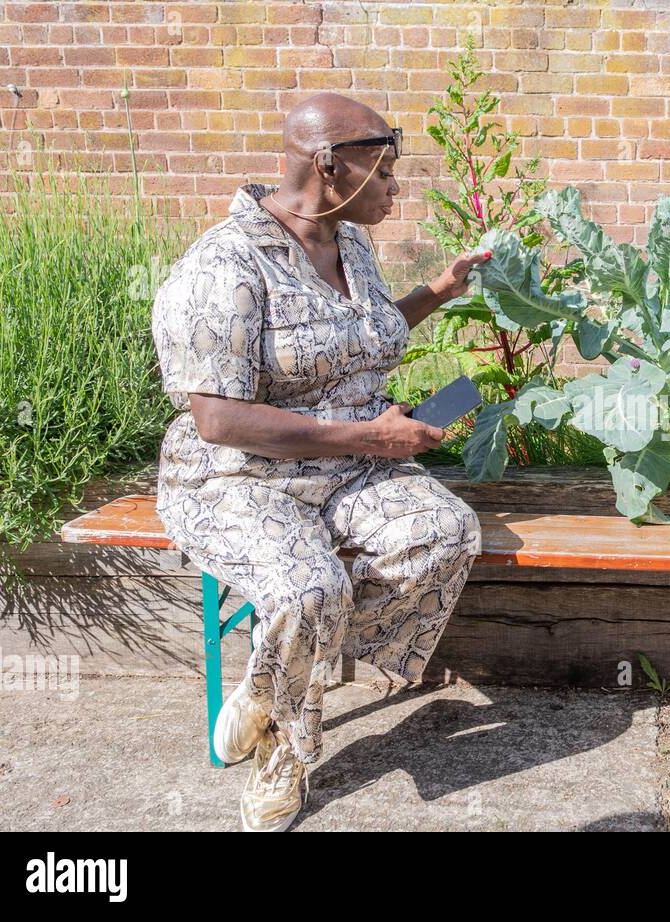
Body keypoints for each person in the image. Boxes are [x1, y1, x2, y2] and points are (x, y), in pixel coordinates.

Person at [151, 92, 492, 831]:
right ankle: (285, 752)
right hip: (238, 477)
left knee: (445, 534)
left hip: (347, 466)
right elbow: (218, 419)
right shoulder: (224, 264)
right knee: (310, 588)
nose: (396, 188)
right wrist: (372, 437)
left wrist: (442, 289)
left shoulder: (350, 243)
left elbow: (362, 334)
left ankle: (268, 685)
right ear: (329, 164)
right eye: (385, 171)